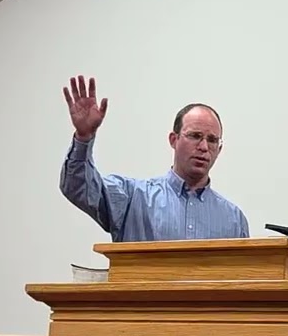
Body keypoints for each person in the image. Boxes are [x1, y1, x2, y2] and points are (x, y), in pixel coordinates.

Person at [58, 75, 249, 242]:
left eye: (212, 140)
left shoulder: (233, 219)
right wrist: (84, 138)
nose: (204, 147)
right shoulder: (131, 198)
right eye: (195, 136)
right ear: (173, 140)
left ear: (219, 149)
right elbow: (78, 188)